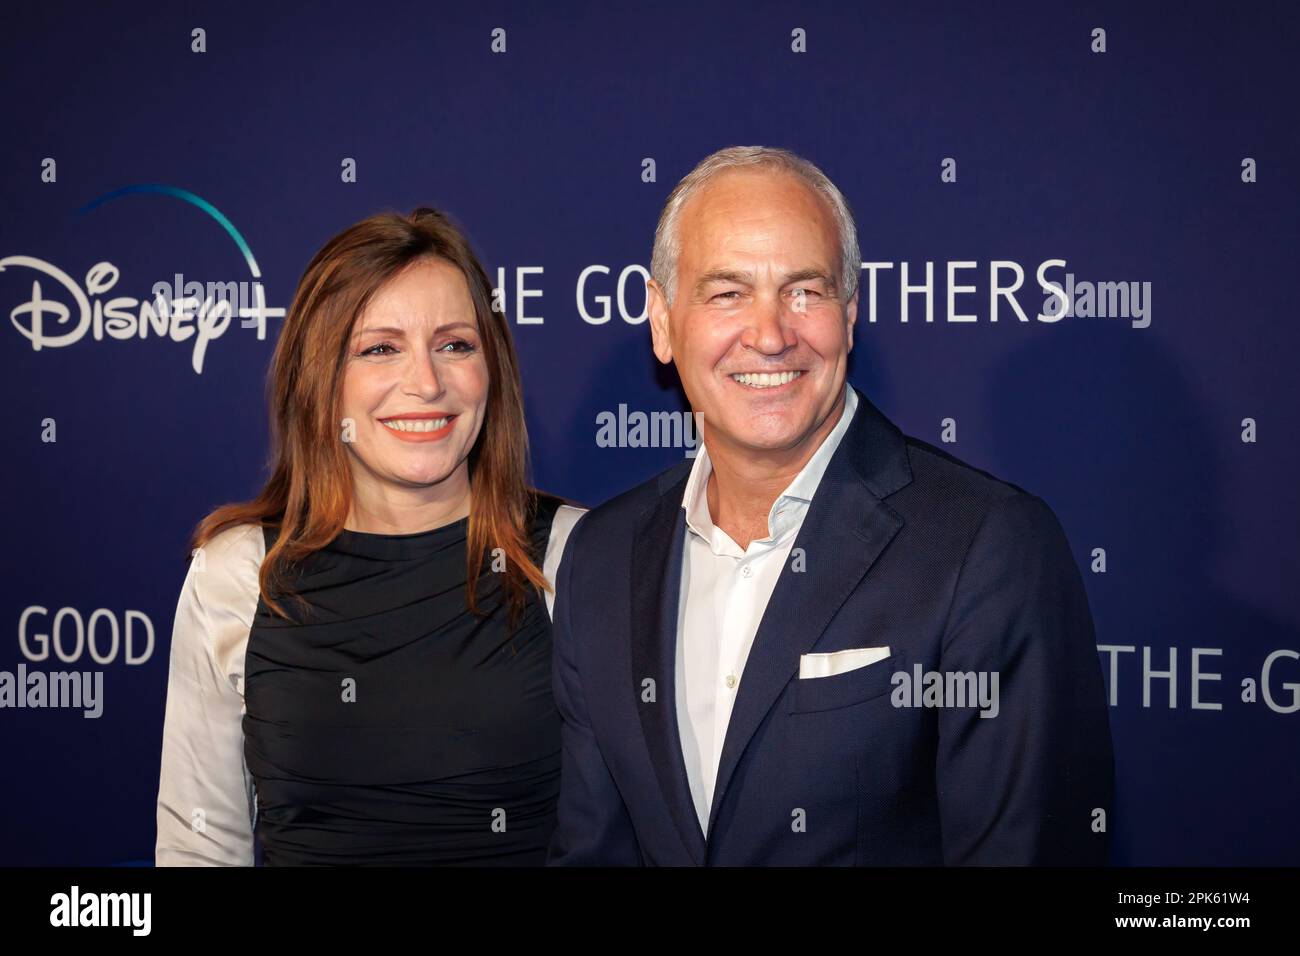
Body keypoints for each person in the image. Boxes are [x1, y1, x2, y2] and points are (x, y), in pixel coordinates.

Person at [547, 146, 1114, 865]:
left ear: (848, 314)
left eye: (804, 290)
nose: (771, 333)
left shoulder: (986, 546)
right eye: (727, 292)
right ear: (662, 319)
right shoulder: (602, 555)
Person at [156, 207, 583, 865]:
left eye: (455, 344)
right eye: (380, 348)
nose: (426, 383)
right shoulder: (237, 574)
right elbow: (201, 845)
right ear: (321, 381)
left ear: (491, 370)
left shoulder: (570, 557)